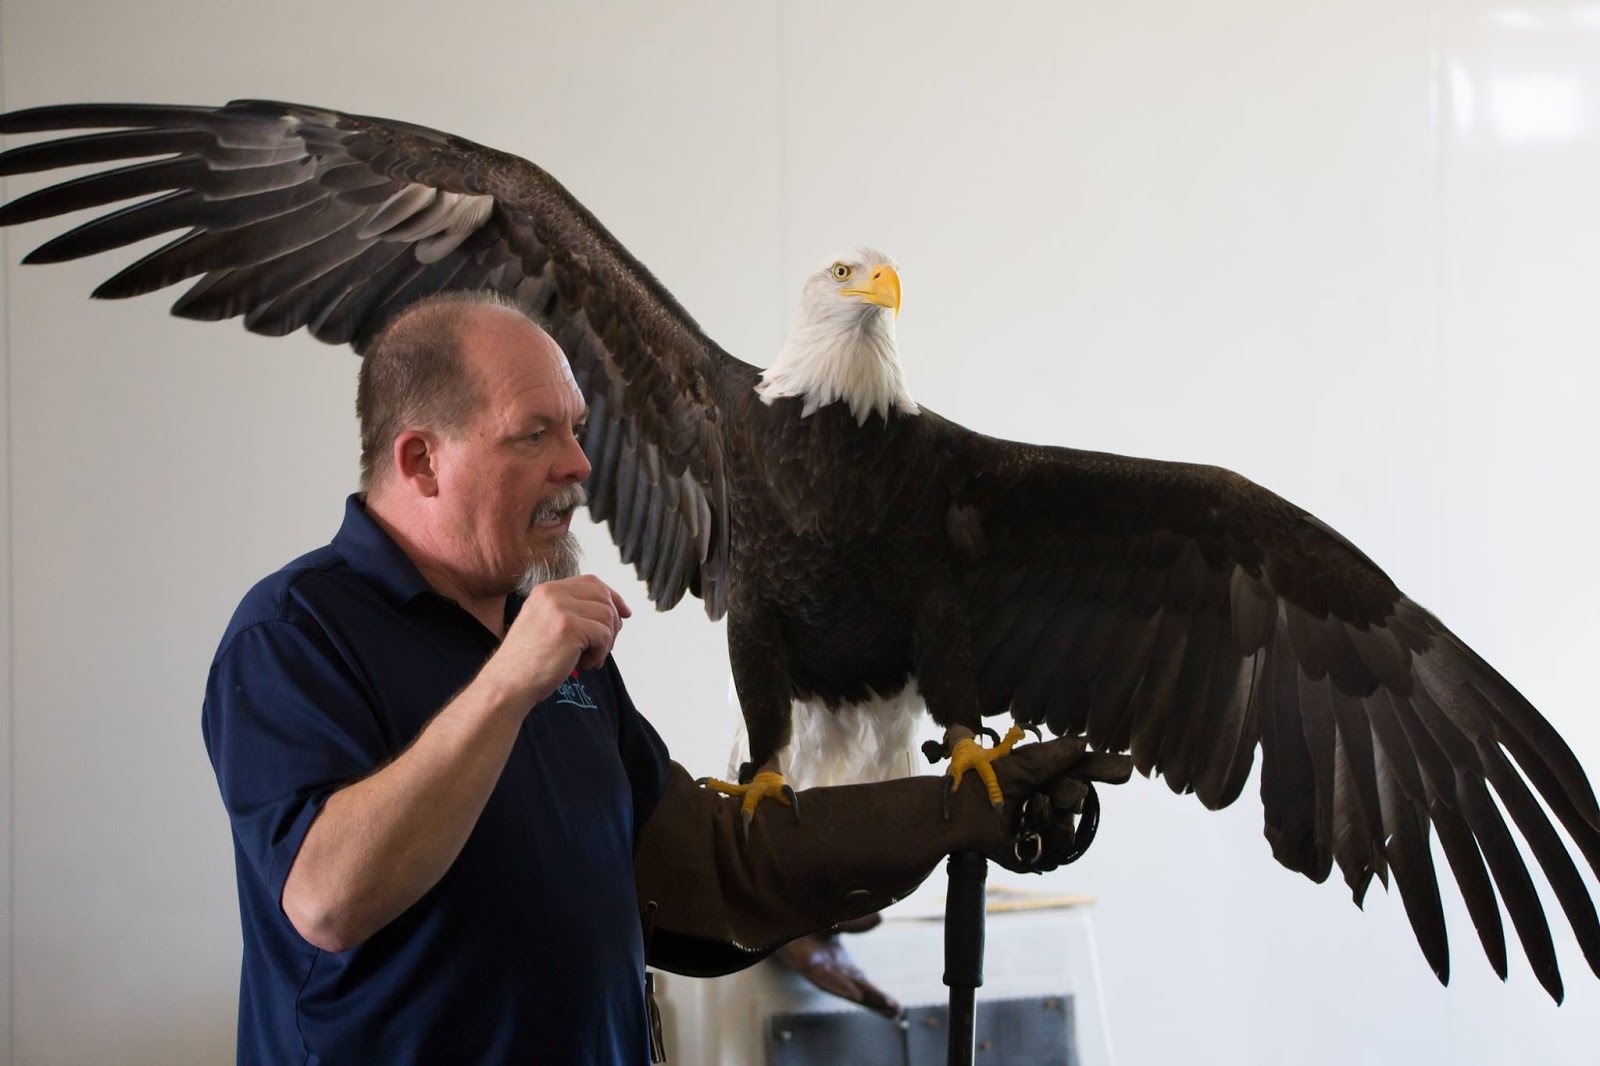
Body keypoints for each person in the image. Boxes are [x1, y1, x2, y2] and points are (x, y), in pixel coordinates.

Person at [201, 290, 1130, 1066]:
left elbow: (714, 866)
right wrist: (506, 685)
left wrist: (957, 813)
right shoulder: (296, 635)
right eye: (535, 435)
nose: (579, 465)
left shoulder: (553, 644)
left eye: (575, 429)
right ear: (420, 461)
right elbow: (325, 898)